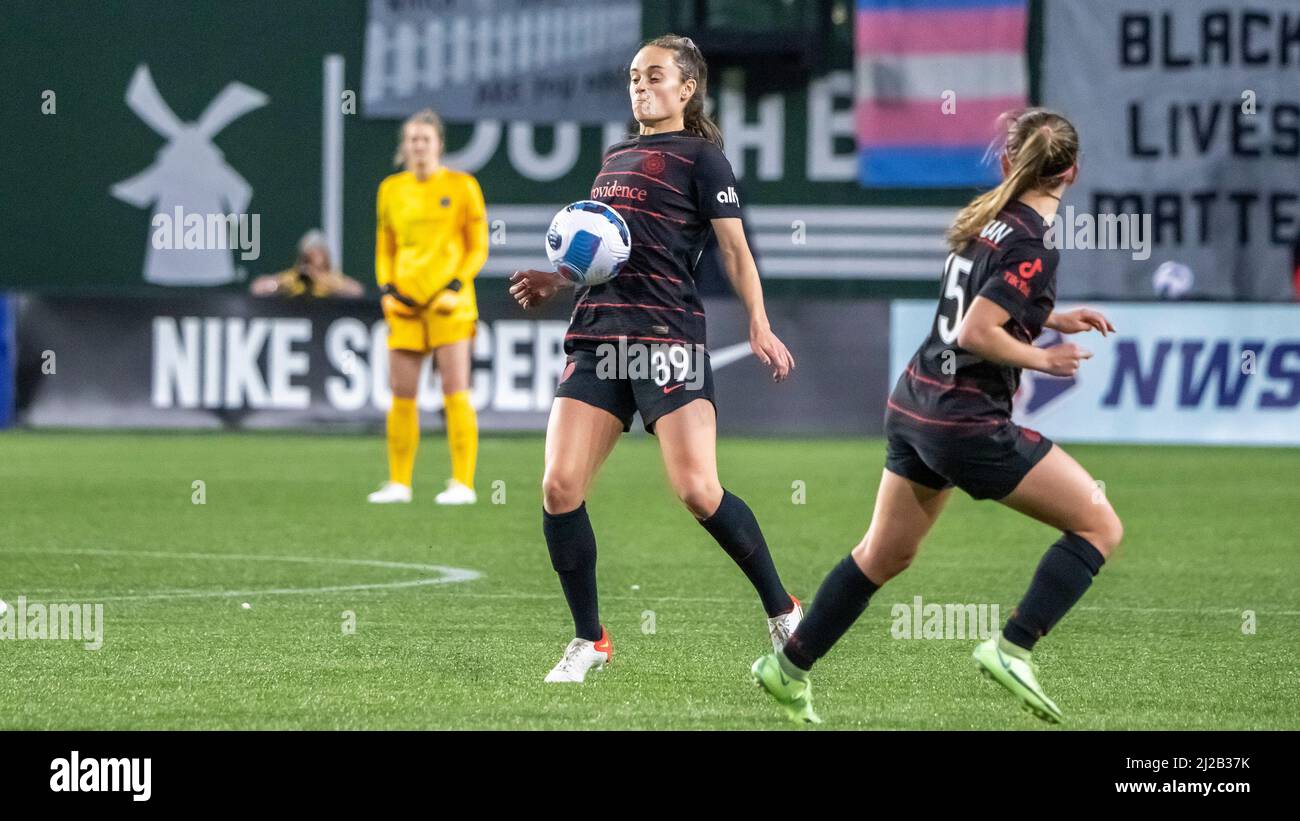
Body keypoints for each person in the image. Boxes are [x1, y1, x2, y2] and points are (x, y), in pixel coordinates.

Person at [752, 108, 1123, 724]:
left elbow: (976, 307)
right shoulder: (1032, 242)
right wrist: (1044, 357)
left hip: (915, 404)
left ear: (1009, 161)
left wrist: (1052, 317)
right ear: (1073, 173)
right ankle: (1013, 648)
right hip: (965, 421)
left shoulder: (990, 222)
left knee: (883, 554)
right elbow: (977, 331)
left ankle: (787, 668)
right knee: (1099, 526)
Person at [509, 34, 801, 683]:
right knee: (559, 487)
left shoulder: (704, 160)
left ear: (687, 88)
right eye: (635, 77)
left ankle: (782, 608)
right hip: (597, 335)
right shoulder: (615, 157)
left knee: (698, 489)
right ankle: (590, 639)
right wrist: (557, 278)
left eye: (655, 76)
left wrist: (758, 322)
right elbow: (603, 255)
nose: (641, 86)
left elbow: (734, 252)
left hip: (667, 338)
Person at [367, 108, 488, 506]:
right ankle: (399, 483)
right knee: (402, 394)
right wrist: (387, 289)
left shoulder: (462, 186)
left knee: (455, 391)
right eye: (412, 139)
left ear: (439, 144)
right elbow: (385, 247)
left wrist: (455, 286)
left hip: (450, 304)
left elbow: (477, 247)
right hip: (405, 305)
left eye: (425, 139)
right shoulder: (391, 189)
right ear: (404, 146)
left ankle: (462, 483)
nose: (418, 146)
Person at [249, 230, 362, 298]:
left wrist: (322, 280)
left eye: (317, 253)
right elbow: (256, 288)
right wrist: (281, 284)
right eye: (308, 254)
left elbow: (357, 291)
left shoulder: (331, 279)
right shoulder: (295, 277)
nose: (312, 257)